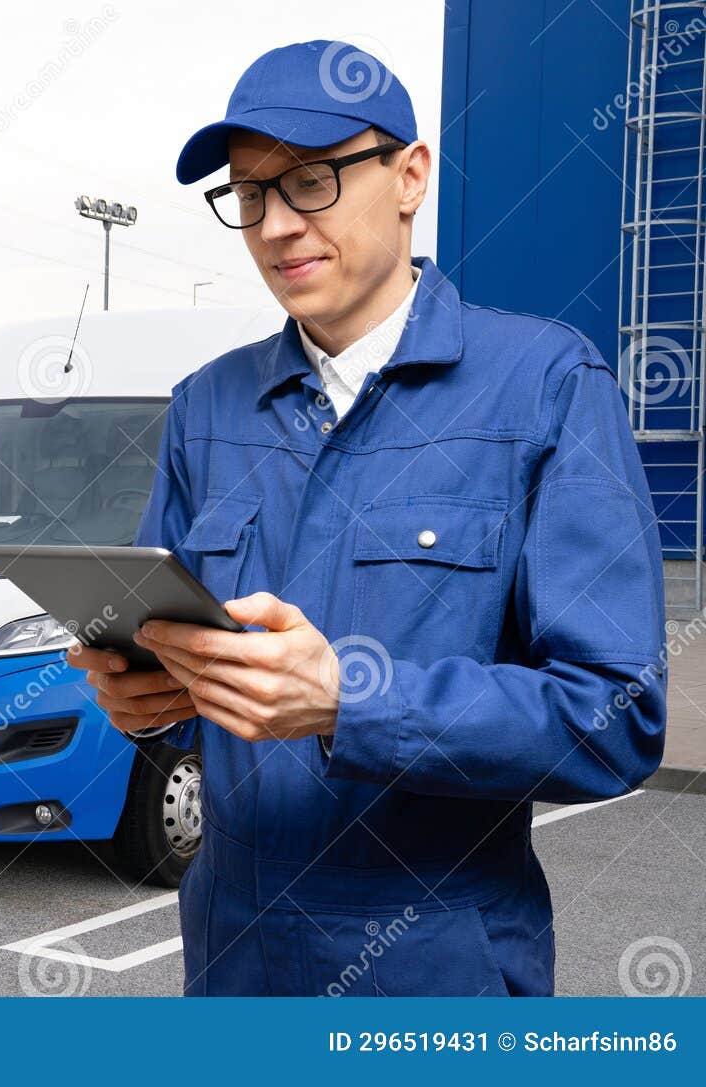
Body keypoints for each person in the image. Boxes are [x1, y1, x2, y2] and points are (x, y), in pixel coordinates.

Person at [67, 39, 666, 996]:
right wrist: (148, 705)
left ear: (410, 176)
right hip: (232, 959)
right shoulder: (206, 408)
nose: (275, 226)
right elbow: (178, 668)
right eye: (249, 194)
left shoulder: (546, 385)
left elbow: (616, 718)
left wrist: (353, 701)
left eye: (310, 181)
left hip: (439, 969)